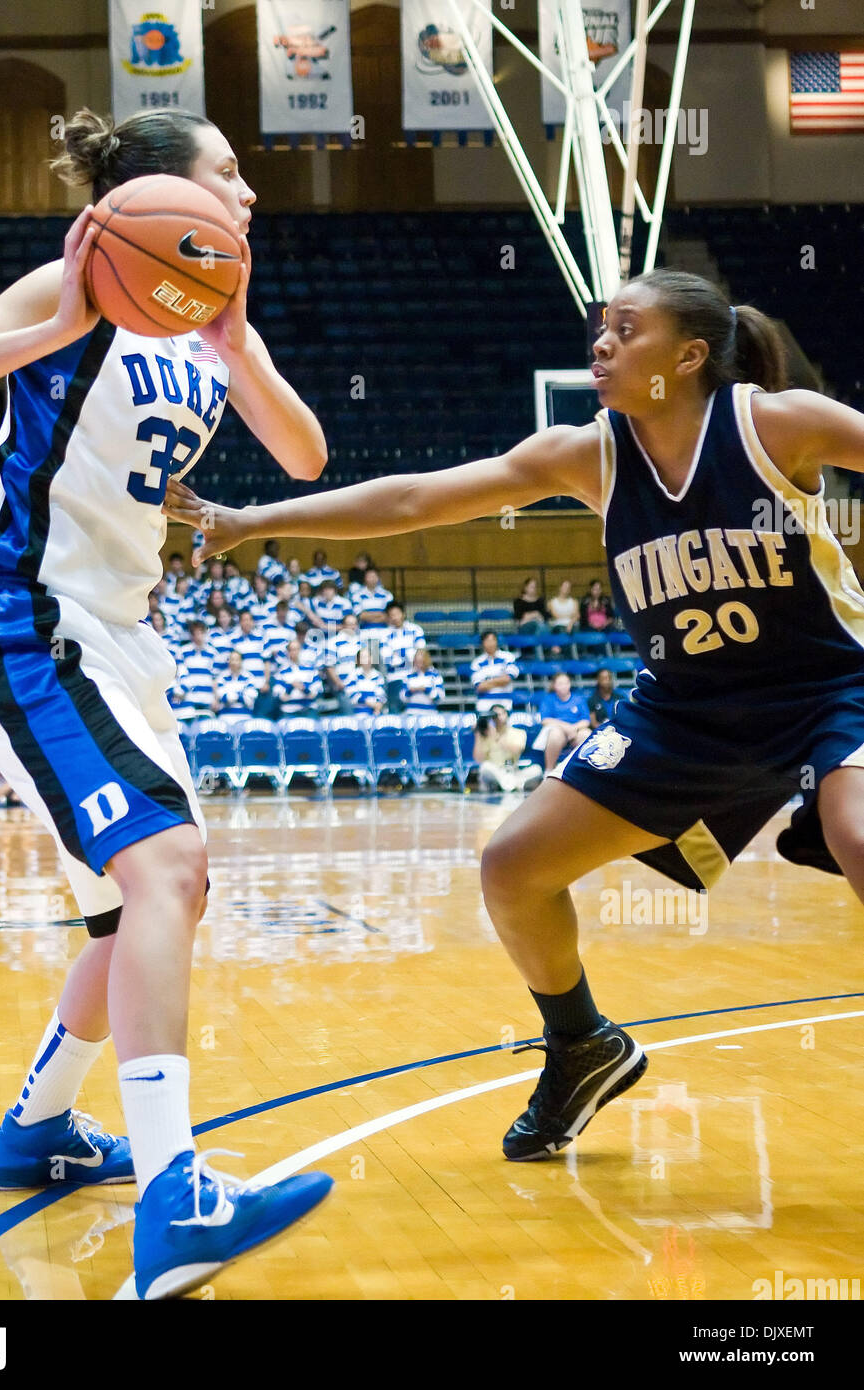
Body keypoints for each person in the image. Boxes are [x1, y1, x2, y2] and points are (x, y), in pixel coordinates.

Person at [166, 267, 864, 1170]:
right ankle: (582, 1044)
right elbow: (418, 499)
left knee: (854, 833)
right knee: (513, 867)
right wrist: (251, 518)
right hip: (686, 709)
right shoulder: (587, 453)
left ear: (689, 356)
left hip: (825, 689)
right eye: (599, 328)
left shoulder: (777, 423)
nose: (600, 345)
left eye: (625, 330)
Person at [0, 105, 333, 1299]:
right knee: (168, 870)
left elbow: (303, 459)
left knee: (139, 908)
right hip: (27, 623)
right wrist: (59, 319)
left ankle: (38, 1131)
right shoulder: (80, 276)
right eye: (227, 176)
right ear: (158, 197)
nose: (248, 196)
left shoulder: (198, 325)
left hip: (121, 640)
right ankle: (174, 1191)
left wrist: (242, 348)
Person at [473, 706, 540, 793]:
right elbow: (478, 759)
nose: (498, 717)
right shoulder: (486, 734)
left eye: (501, 714)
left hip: (513, 770)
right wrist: (477, 735)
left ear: (507, 715)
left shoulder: (518, 732)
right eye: (495, 715)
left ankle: (508, 784)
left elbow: (517, 750)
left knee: (536, 769)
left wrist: (496, 736)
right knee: (485, 767)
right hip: (495, 771)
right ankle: (513, 785)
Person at [537, 672, 591, 771]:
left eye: (566, 683)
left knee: (586, 734)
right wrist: (566, 727)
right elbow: (545, 720)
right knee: (555, 734)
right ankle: (549, 770)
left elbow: (586, 720)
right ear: (554, 685)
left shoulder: (578, 699)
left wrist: (573, 728)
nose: (564, 686)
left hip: (576, 730)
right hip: (557, 728)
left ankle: (583, 771)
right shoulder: (548, 699)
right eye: (560, 683)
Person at [380, 602, 426, 714]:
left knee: (415, 712)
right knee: (395, 714)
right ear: (388, 617)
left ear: (403, 614)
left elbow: (421, 653)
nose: (395, 617)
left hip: (414, 677)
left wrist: (399, 656)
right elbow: (388, 660)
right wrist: (409, 656)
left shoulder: (416, 630)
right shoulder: (383, 635)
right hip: (395, 678)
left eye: (397, 614)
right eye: (391, 615)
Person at [470, 631, 520, 713]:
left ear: (496, 641)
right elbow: (479, 687)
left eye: (493, 640)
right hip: (484, 702)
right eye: (487, 641)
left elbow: (507, 679)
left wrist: (487, 682)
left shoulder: (508, 657)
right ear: (483, 643)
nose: (491, 643)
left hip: (504, 701)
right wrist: (500, 680)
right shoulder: (477, 662)